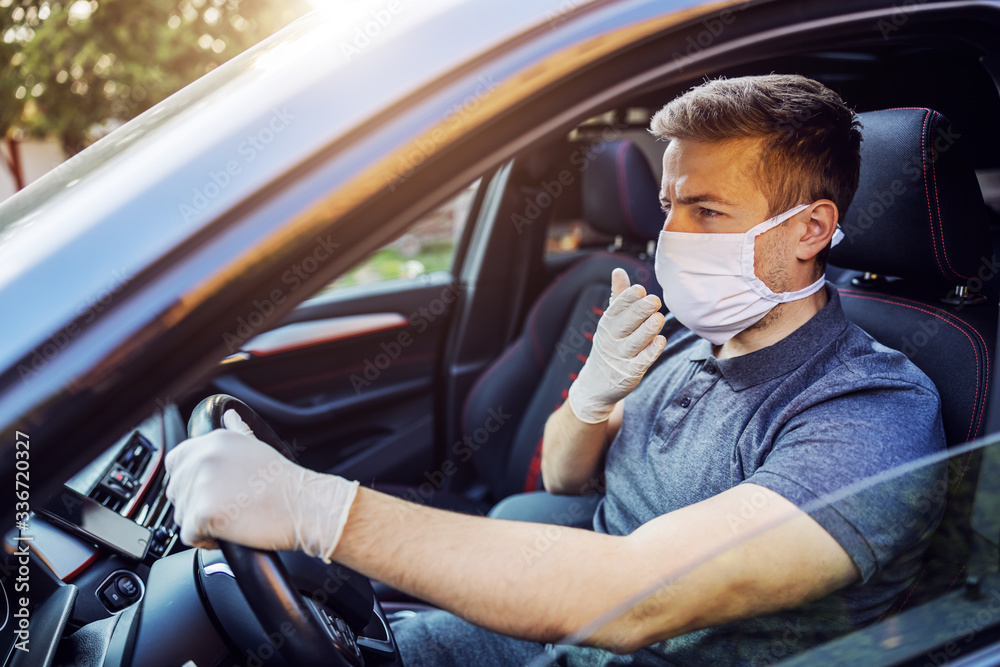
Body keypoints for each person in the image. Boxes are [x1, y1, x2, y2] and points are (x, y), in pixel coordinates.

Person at [165, 75, 946, 665]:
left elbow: (635, 593)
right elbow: (569, 480)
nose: (667, 234)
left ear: (810, 229)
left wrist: (317, 510)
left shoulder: (871, 412)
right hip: (548, 614)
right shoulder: (694, 337)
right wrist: (593, 395)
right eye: (669, 203)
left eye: (705, 211)